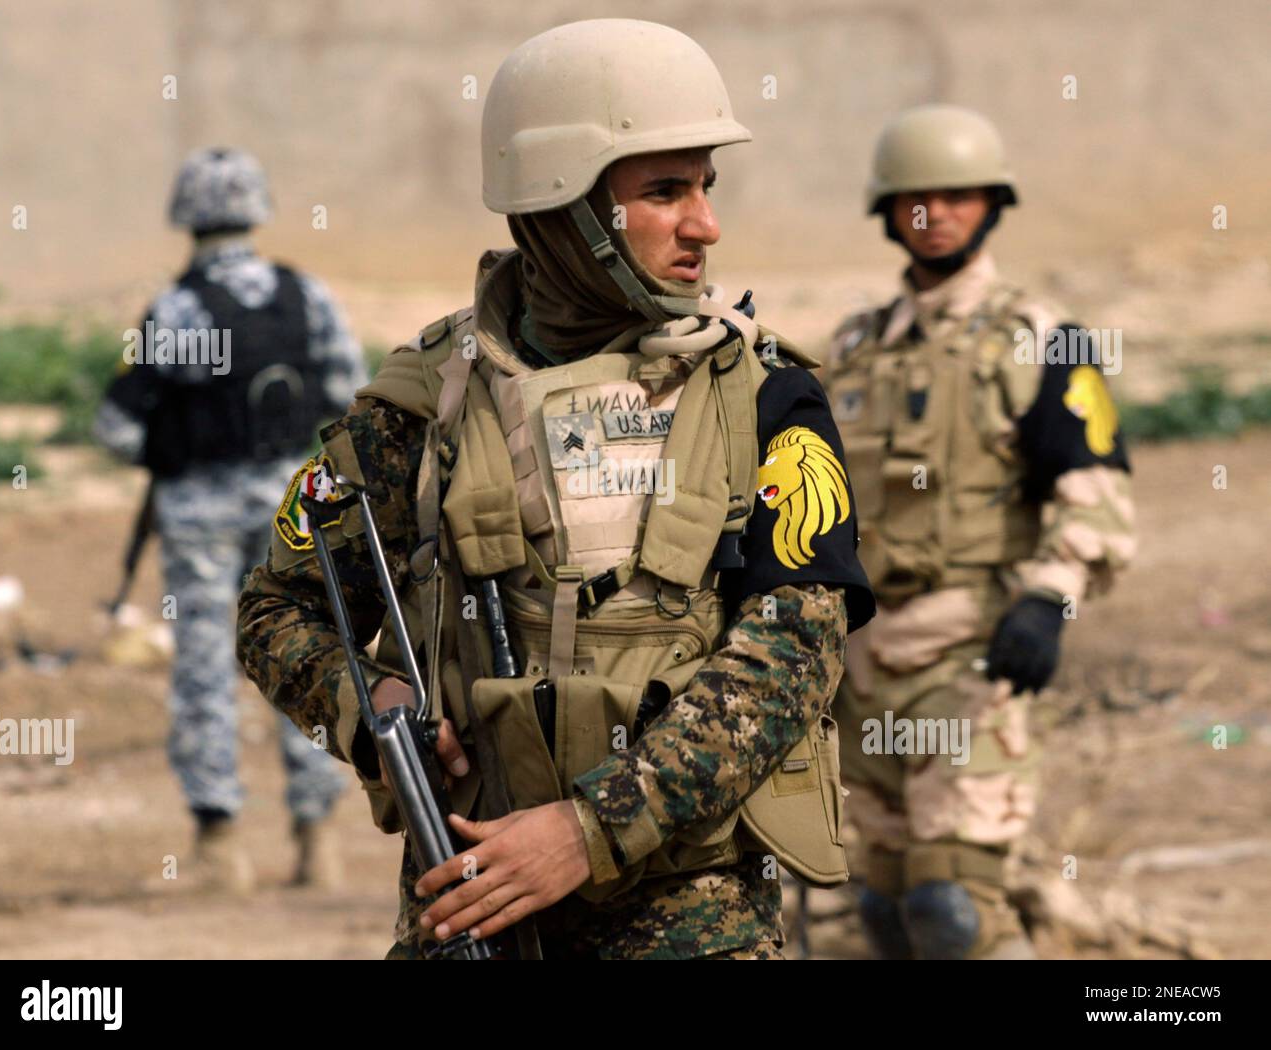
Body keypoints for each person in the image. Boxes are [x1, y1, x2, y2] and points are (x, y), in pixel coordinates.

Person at [238, 18, 874, 960]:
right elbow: (275, 608)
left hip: (688, 920)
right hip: (470, 908)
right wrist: (365, 702)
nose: (705, 223)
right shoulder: (423, 402)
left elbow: (790, 659)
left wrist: (589, 831)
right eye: (664, 191)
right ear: (564, 206)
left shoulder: (765, 394)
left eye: (706, 186)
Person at [819, 105, 1136, 959]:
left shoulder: (1041, 341)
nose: (936, 216)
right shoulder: (850, 351)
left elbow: (1097, 493)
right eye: (916, 200)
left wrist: (1048, 600)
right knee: (883, 911)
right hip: (861, 666)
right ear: (888, 212)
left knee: (954, 908)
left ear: (992, 206)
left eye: (958, 196)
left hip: (971, 657)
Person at [94, 147, 367, 893]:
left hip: (199, 517)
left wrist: (175, 451)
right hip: (293, 508)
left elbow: (117, 428)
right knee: (306, 653)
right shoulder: (304, 295)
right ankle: (318, 844)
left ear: (187, 215)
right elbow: (350, 390)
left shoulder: (177, 308)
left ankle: (218, 847)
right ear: (255, 207)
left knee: (207, 669)